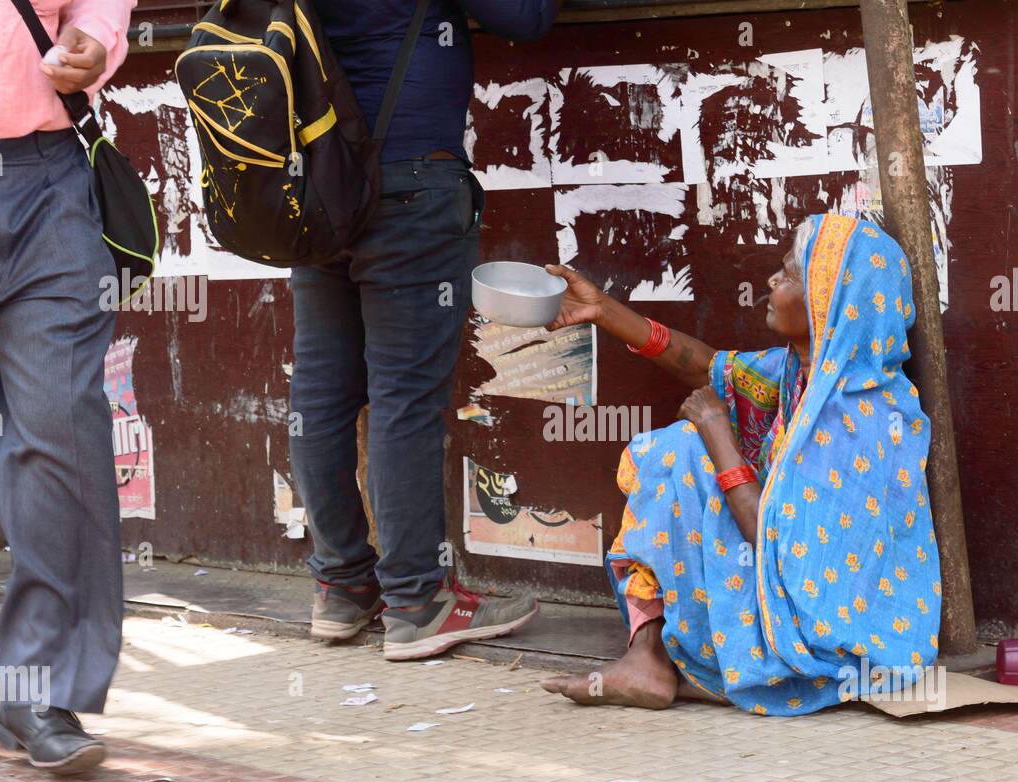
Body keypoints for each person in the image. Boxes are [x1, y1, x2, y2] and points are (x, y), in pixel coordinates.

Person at [540, 214, 942, 714]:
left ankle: (674, 663)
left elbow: (777, 546)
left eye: (791, 274)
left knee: (687, 448)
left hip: (828, 637)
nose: (773, 280)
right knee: (675, 450)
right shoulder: (805, 374)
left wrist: (717, 434)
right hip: (782, 592)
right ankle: (647, 657)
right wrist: (602, 311)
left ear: (829, 302)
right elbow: (706, 365)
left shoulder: (864, 416)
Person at [291, 2, 558, 657]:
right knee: (404, 397)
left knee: (322, 393)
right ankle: (415, 599)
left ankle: (342, 586)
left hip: (318, 185)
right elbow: (528, 17)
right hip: (407, 184)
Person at [0, 0, 136, 772]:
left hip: (50, 178)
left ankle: (37, 692)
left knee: (60, 431)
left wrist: (95, 39)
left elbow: (97, 6)